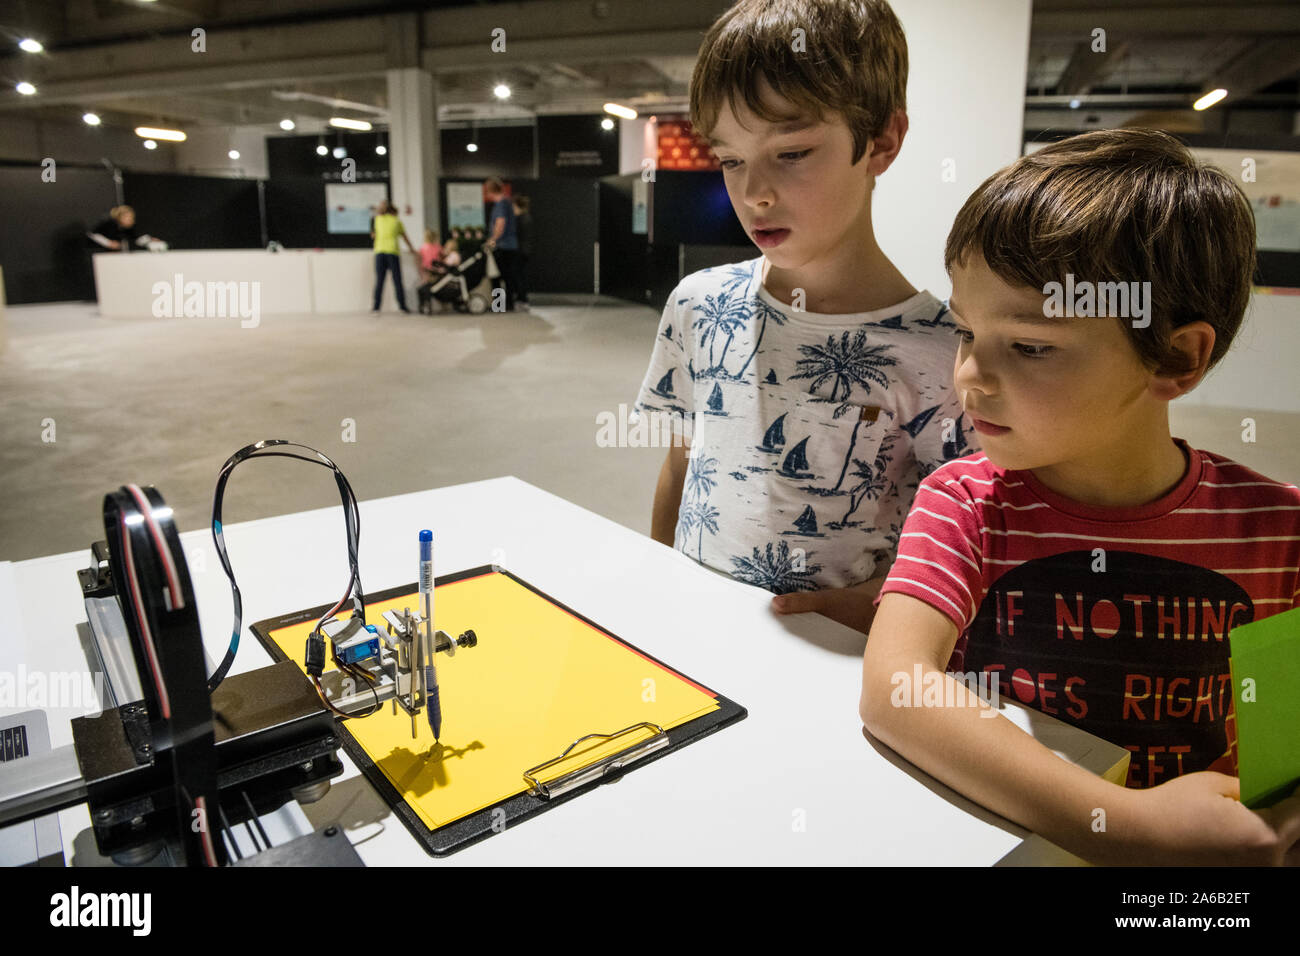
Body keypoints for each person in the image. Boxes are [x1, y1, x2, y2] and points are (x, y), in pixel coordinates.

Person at [860, 128, 1300, 865]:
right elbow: (896, 688)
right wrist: (1126, 825)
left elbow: (1281, 752)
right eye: (967, 331)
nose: (970, 376)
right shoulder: (965, 502)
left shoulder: (1278, 532)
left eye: (1031, 346)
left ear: (1175, 356)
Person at [633, 0, 975, 633]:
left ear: (882, 142)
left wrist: (871, 611)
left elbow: (962, 544)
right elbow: (681, 464)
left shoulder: (944, 352)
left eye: (792, 152)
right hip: (691, 644)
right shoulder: (698, 305)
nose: (754, 193)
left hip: (836, 669)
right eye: (731, 160)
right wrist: (657, 593)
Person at [370, 199, 416, 314]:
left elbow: (373, 235)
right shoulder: (396, 221)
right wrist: (411, 249)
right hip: (392, 252)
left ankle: (376, 307)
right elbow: (405, 237)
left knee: (380, 280)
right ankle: (402, 307)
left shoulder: (377, 219)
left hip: (380, 252)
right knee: (397, 280)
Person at [482, 178, 521, 312]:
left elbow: (500, 225)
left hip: (503, 247)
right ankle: (508, 304)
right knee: (508, 276)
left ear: (491, 191)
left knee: (497, 276)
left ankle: (499, 306)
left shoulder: (501, 205)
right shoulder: (507, 203)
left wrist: (492, 240)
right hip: (510, 246)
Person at [87, 205, 159, 252]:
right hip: (97, 253)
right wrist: (108, 243)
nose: (131, 220)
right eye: (129, 217)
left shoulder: (127, 229)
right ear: (120, 217)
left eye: (132, 218)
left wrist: (149, 239)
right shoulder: (109, 225)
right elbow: (92, 234)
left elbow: (136, 240)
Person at [512, 195, 533, 311]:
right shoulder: (527, 217)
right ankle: (522, 299)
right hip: (525, 251)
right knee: (521, 276)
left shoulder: (520, 219)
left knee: (519, 277)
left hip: (519, 252)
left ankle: (522, 300)